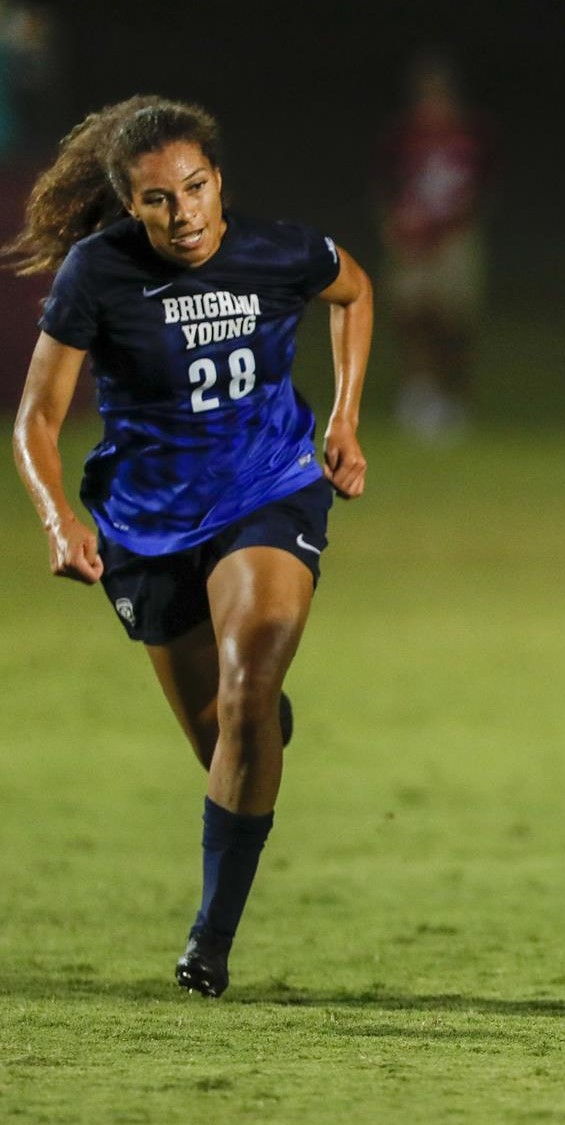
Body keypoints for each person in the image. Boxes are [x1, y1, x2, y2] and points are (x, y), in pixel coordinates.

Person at [8, 96, 373, 997]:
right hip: (146, 524)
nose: (186, 213)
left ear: (220, 182)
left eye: (197, 187)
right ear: (131, 207)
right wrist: (61, 519)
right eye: (159, 199)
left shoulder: (278, 250)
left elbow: (356, 291)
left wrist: (347, 417)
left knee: (249, 688)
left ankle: (210, 940)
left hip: (268, 490)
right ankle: (256, 731)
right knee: (224, 734)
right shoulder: (97, 275)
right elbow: (37, 421)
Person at [379, 52, 490, 442]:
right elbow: (385, 183)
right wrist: (396, 224)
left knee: (453, 319)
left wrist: (452, 226)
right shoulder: (403, 135)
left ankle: (453, 396)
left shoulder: (468, 135)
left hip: (454, 236)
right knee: (412, 314)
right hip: (411, 238)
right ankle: (419, 394)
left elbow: (482, 188)